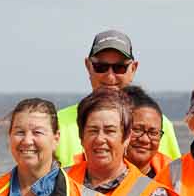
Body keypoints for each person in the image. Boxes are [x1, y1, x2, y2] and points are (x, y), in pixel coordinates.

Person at [55, 30, 180, 166]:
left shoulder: (160, 125)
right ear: (88, 66)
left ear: (133, 69)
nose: (110, 76)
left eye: (120, 68)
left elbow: (173, 178)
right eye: (101, 67)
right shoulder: (58, 124)